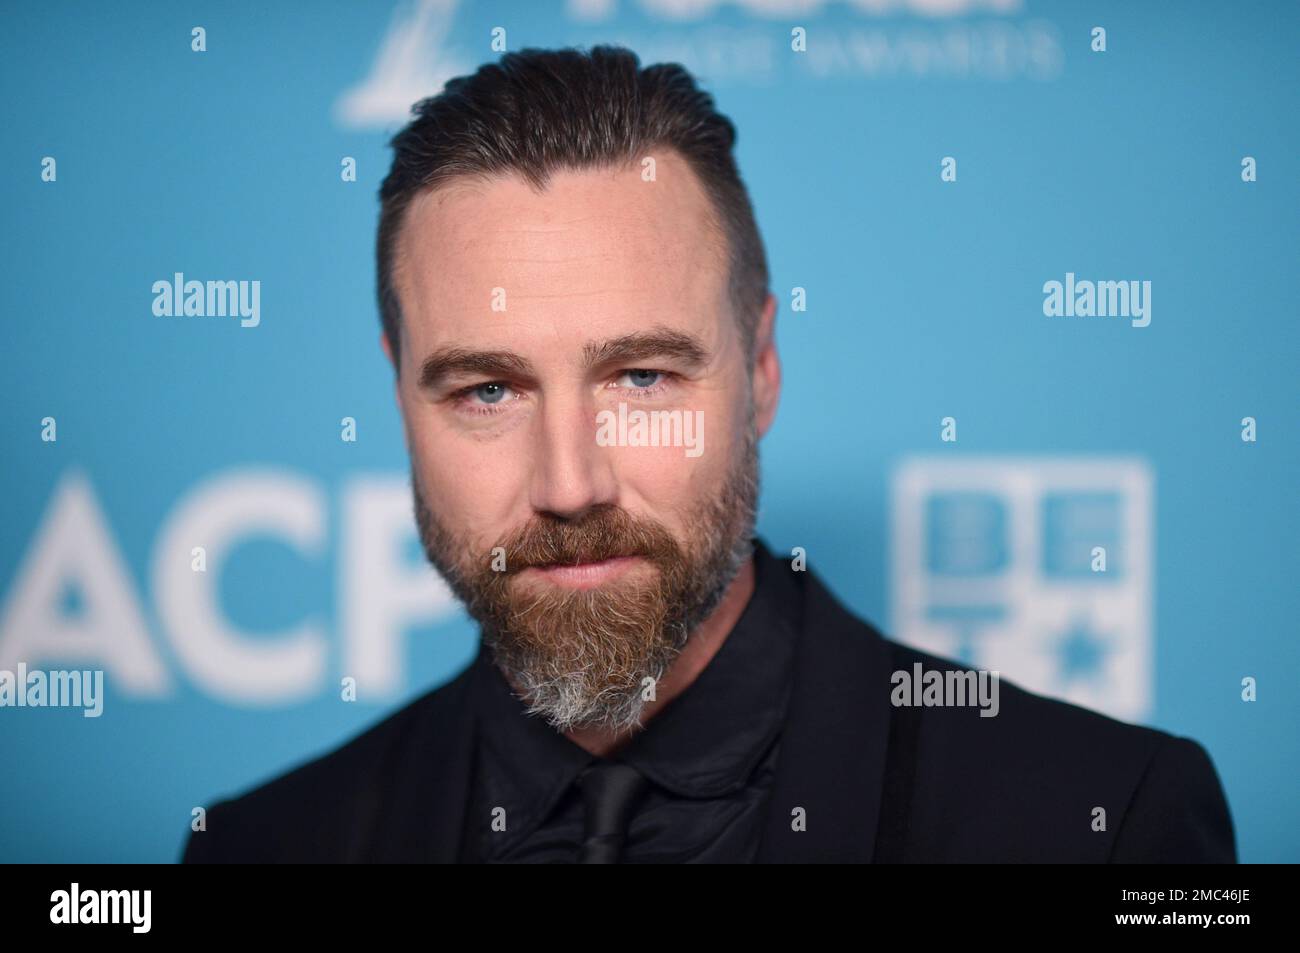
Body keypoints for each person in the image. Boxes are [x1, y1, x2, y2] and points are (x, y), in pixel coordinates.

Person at [181, 45, 1234, 864]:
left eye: (641, 377)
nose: (568, 483)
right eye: (487, 390)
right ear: (399, 391)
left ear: (762, 369)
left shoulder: (1097, 824)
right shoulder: (258, 847)